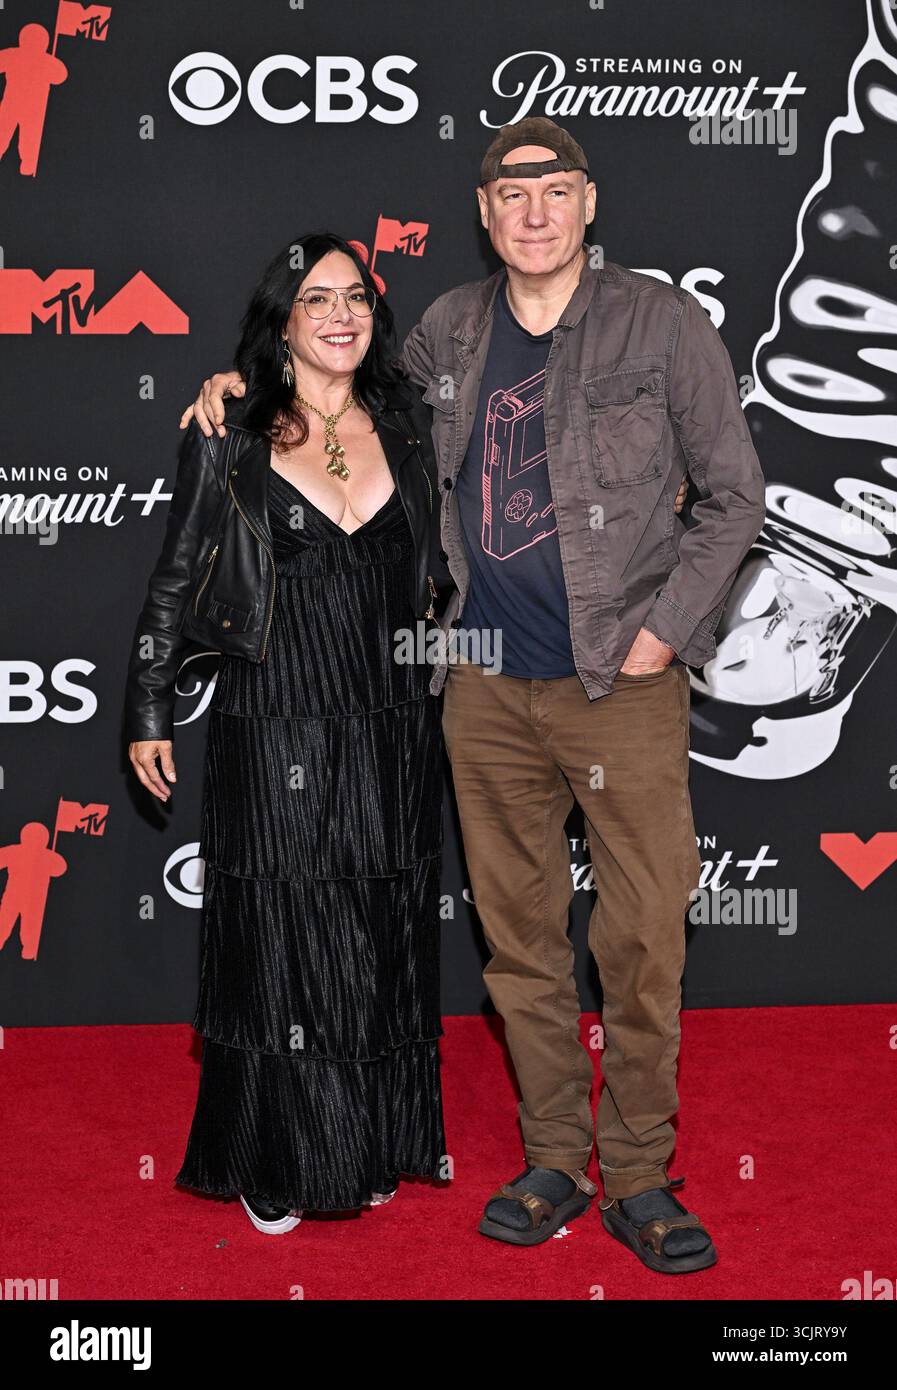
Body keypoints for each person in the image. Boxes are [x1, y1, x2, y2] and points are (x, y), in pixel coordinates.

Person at [183, 116, 765, 1272]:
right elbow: (331, 389)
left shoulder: (662, 322)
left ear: (588, 204)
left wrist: (662, 636)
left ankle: (639, 1169)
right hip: (484, 685)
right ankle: (554, 1154)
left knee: (645, 938)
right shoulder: (447, 330)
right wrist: (237, 384)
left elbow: (735, 496)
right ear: (485, 212)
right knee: (520, 942)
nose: (535, 209)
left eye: (556, 188)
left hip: (621, 683)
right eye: (512, 191)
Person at [125, 231, 450, 1235]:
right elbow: (177, 577)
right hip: (272, 722)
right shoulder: (228, 430)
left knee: (373, 934)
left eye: (355, 295)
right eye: (317, 299)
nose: (341, 314)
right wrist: (146, 705)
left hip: (389, 722)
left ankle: (369, 1137)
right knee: (278, 942)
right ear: (283, 320)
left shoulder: (405, 420)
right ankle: (273, 1151)